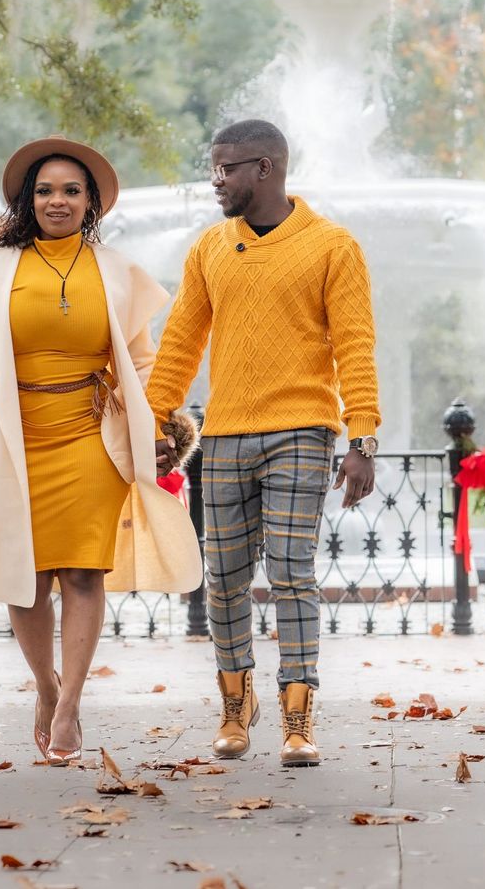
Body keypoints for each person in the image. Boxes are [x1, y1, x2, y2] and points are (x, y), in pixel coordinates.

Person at [0, 136, 201, 766]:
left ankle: (71, 702)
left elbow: (143, 358)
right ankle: (44, 688)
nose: (57, 200)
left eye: (71, 191)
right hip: (16, 438)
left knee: (81, 571)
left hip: (90, 437)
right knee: (27, 579)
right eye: (45, 190)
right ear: (28, 199)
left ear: (90, 202)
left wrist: (159, 426)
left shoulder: (118, 271)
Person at [146, 119, 380, 767]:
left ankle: (298, 716)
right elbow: (181, 345)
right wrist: (154, 419)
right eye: (213, 168)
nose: (215, 181)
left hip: (303, 429)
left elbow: (355, 346)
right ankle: (235, 705)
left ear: (265, 170)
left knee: (290, 572)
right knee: (222, 580)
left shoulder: (333, 246)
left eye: (226, 169)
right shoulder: (209, 249)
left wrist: (363, 437)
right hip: (223, 434)